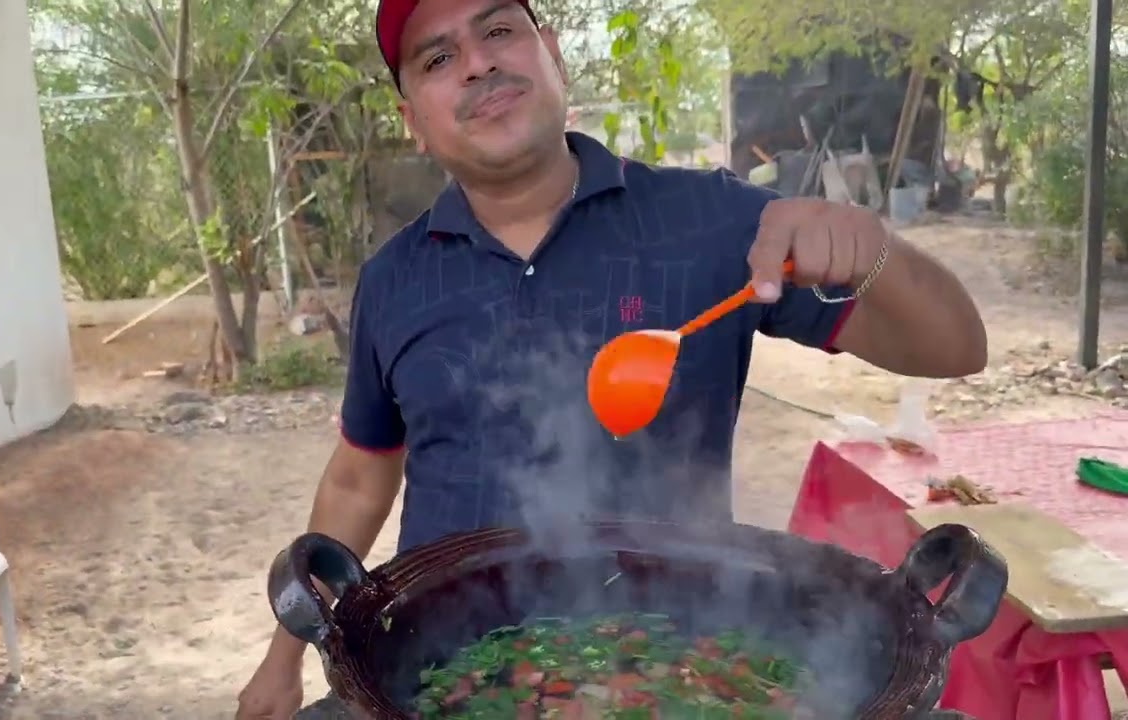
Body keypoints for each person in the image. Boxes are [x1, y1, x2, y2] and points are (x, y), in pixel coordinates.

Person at [236, 0, 987, 716]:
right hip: (432, 668)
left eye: (498, 29)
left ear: (553, 54)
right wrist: (283, 658)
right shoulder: (393, 279)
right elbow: (360, 475)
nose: (476, 64)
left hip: (677, 651)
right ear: (413, 124)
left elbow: (957, 349)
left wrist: (873, 251)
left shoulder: (715, 223)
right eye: (438, 57)